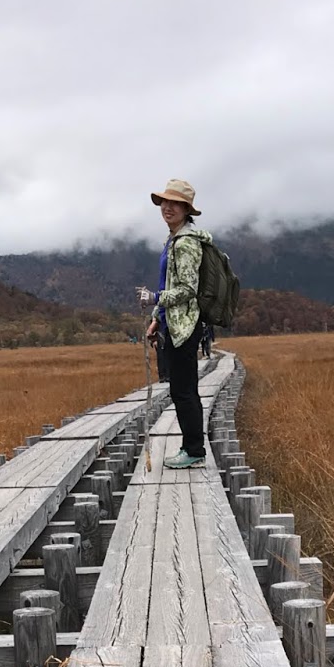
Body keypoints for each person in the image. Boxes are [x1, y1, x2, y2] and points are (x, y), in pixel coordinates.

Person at [146, 178, 210, 468]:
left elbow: (187, 289)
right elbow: (170, 283)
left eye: (175, 204)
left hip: (184, 326)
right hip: (172, 324)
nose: (167, 208)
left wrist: (154, 298)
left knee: (184, 391)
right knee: (182, 389)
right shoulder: (172, 240)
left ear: (186, 210)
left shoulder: (185, 243)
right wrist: (156, 319)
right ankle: (191, 447)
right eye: (165, 202)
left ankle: (194, 451)